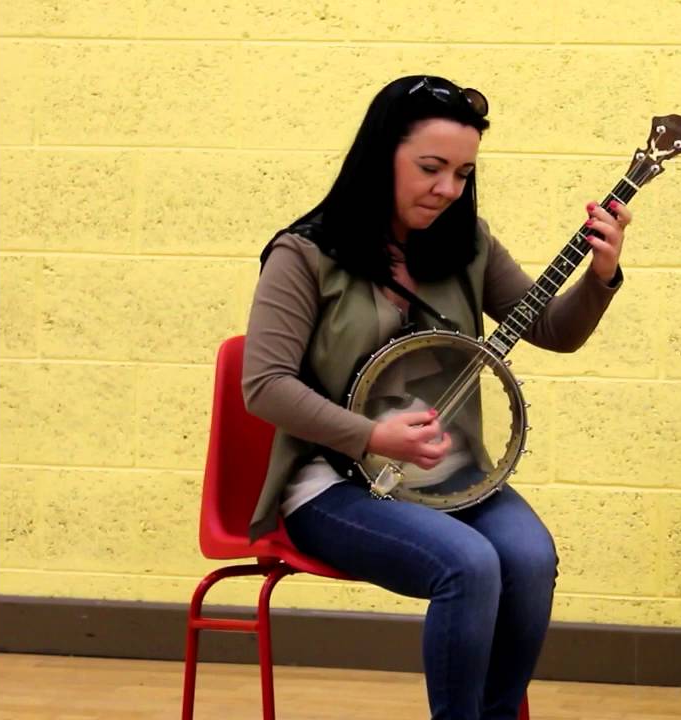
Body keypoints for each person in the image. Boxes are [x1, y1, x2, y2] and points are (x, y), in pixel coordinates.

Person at [241, 75, 631, 720]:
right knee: (469, 564)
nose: (448, 188)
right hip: (332, 481)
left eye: (462, 173)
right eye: (431, 168)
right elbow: (265, 385)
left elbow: (553, 331)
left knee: (531, 557)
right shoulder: (303, 253)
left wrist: (602, 275)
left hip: (448, 477)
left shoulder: (467, 243)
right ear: (381, 155)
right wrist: (372, 436)